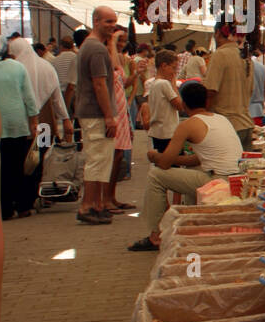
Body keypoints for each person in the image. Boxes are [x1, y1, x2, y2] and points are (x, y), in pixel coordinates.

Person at [128, 81, 244, 252]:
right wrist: (178, 160)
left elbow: (166, 163)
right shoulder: (221, 119)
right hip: (237, 177)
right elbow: (198, 159)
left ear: (183, 104)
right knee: (192, 171)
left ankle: (155, 236)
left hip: (219, 179)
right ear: (207, 102)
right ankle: (191, 224)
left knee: (155, 175)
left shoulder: (187, 125)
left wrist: (154, 156)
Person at [9, 36, 70, 214]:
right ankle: (31, 198)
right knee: (39, 158)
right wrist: (65, 119)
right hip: (45, 124)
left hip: (23, 123)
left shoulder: (17, 69)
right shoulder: (47, 66)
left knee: (22, 162)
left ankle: (18, 200)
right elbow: (57, 97)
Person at [74, 7, 121, 224]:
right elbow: (100, 84)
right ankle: (88, 205)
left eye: (114, 22)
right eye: (108, 21)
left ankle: (97, 204)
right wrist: (109, 116)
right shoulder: (95, 49)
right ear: (96, 21)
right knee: (96, 159)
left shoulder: (93, 46)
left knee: (101, 159)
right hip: (96, 113)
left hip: (93, 112)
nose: (112, 25)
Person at [0, 37, 39, 221]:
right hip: (17, 124)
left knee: (0, 169)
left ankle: (3, 210)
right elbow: (29, 97)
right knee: (17, 168)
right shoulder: (18, 67)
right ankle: (21, 207)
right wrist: (34, 122)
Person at [204, 22, 254, 150]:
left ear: (218, 33)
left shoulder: (220, 55)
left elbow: (210, 91)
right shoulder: (246, 57)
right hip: (246, 124)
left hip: (227, 126)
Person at [103, 28, 135, 212]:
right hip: (113, 112)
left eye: (124, 40)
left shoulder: (119, 57)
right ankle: (105, 198)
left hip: (121, 111)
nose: (122, 44)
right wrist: (113, 41)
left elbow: (123, 82)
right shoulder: (105, 55)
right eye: (119, 40)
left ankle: (111, 197)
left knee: (118, 156)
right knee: (111, 157)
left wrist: (137, 73)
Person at [145, 50, 187, 154]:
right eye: (173, 68)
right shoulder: (164, 84)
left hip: (158, 131)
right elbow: (179, 105)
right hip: (168, 133)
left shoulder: (154, 84)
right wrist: (173, 85)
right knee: (172, 165)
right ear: (164, 66)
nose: (175, 72)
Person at [52, 29, 83, 114]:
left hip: (61, 93)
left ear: (61, 46)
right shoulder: (76, 58)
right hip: (75, 92)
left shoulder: (55, 60)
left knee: (65, 118)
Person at [249, 49, 265, 120]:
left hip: (241, 113)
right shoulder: (261, 67)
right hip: (258, 111)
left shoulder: (235, 67)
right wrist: (260, 97)